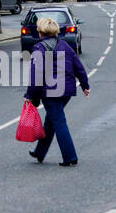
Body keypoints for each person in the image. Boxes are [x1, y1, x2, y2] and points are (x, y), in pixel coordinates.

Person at [25, 16, 90, 166]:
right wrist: (85, 85)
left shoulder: (39, 48)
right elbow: (79, 67)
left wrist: (29, 95)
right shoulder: (65, 46)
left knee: (59, 121)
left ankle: (70, 157)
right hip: (67, 90)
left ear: (40, 33)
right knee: (51, 120)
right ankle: (40, 152)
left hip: (51, 91)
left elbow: (36, 75)